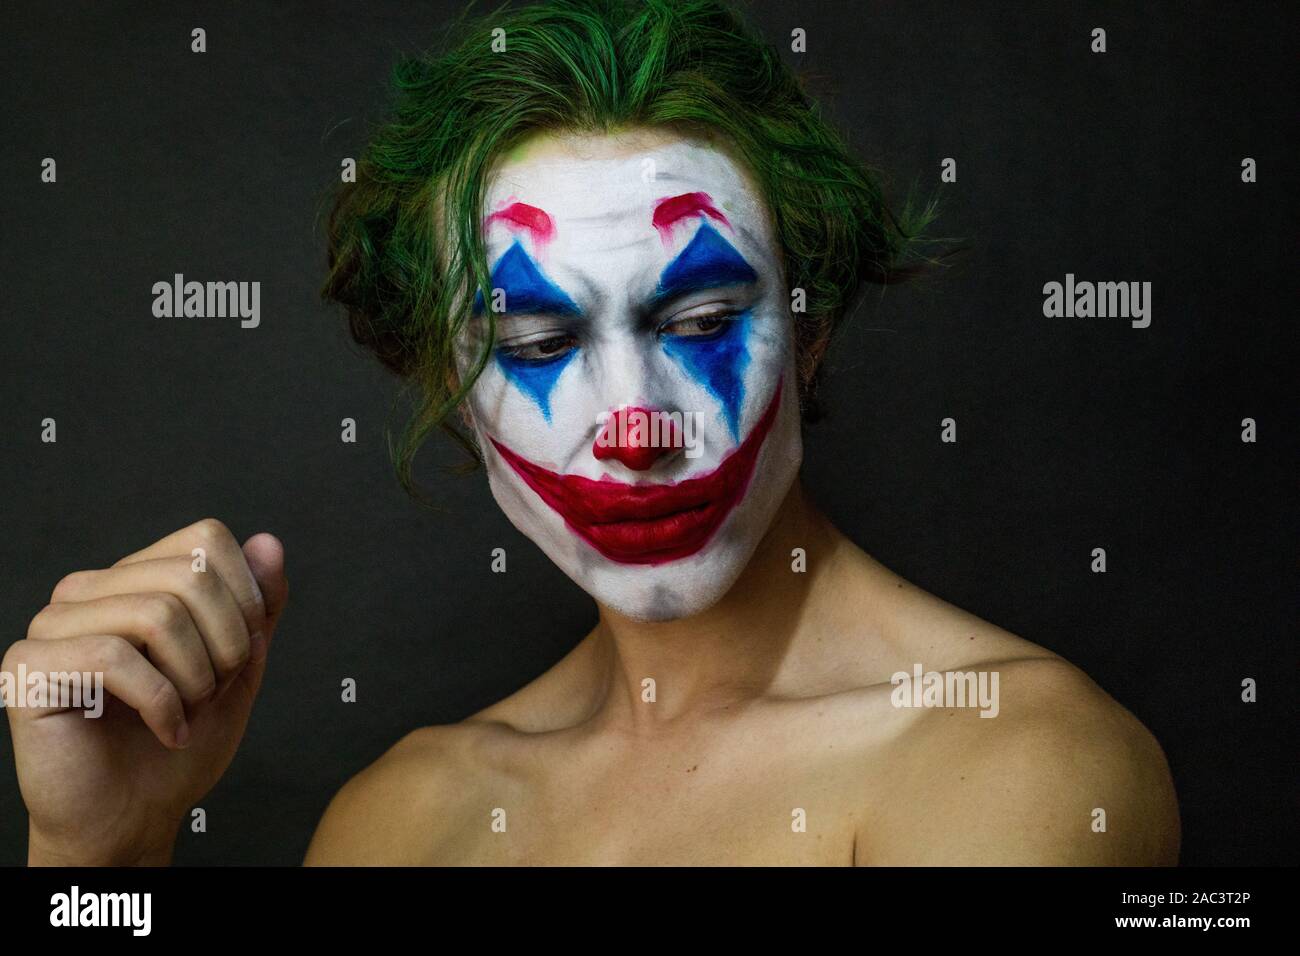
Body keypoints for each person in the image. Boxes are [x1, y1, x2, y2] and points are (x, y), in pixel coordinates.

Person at [8, 0, 1179, 866]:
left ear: (809, 329)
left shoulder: (1017, 764)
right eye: (531, 340)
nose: (633, 420)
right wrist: (99, 854)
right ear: (449, 381)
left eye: (705, 318)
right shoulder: (401, 820)